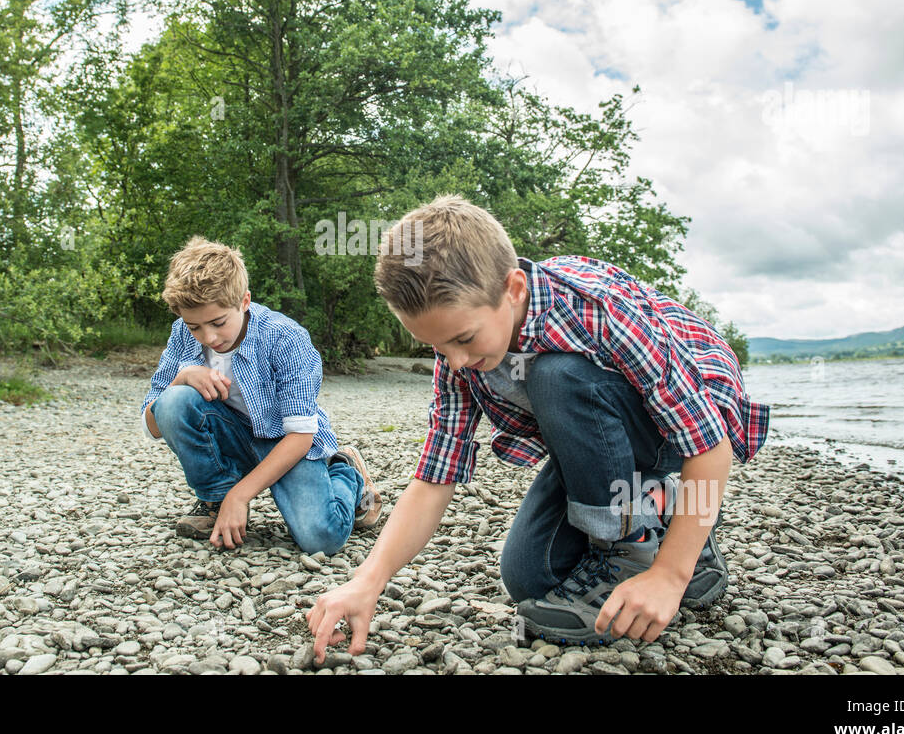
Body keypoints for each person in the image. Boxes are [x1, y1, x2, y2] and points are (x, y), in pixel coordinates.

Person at [307, 195, 770, 659]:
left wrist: (668, 575)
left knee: (556, 375)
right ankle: (673, 519)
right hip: (604, 444)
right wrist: (367, 581)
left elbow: (710, 445)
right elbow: (435, 475)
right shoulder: (457, 352)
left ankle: (633, 547)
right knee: (532, 576)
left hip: (678, 430)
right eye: (436, 346)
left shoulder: (597, 309)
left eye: (464, 339)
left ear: (512, 288)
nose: (456, 361)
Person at [141, 236, 382, 555]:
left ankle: (345, 470)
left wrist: (241, 496)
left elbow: (300, 436)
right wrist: (181, 379)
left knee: (322, 539)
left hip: (288, 444)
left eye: (217, 323)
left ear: (243, 301)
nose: (208, 337)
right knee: (172, 401)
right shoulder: (182, 334)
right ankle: (215, 499)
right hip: (233, 437)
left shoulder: (286, 338)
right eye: (195, 327)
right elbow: (153, 423)